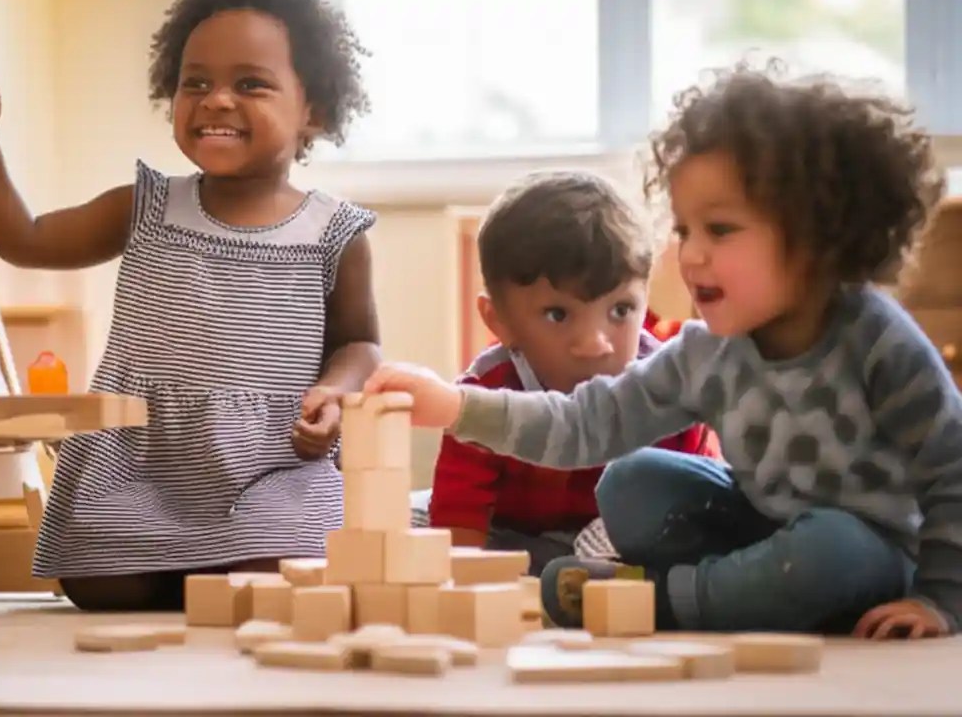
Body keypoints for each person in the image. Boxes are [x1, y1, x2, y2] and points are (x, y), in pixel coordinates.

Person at [362, 62, 957, 640]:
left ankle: (661, 601)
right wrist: (458, 407)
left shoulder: (878, 341)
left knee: (833, 547)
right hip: (764, 534)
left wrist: (940, 598)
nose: (691, 256)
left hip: (869, 556)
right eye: (683, 231)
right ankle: (730, 592)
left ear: (820, 236)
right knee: (633, 481)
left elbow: (952, 469)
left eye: (718, 231)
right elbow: (587, 419)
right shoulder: (708, 351)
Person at [0, 0, 379, 611]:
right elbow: (26, 240)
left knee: (284, 572)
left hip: (270, 461)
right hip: (148, 456)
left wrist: (335, 392)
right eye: (194, 82)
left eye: (251, 84)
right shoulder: (146, 205)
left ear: (315, 110)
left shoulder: (335, 232)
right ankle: (183, 565)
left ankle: (213, 564)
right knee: (98, 585)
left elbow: (359, 342)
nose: (216, 100)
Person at [418, 171, 718, 572]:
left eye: (621, 311)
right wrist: (465, 587)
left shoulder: (665, 386)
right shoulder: (485, 394)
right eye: (558, 315)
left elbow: (691, 503)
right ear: (499, 321)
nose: (596, 343)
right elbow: (460, 520)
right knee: (414, 526)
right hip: (513, 539)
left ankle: (580, 580)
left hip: (620, 538)